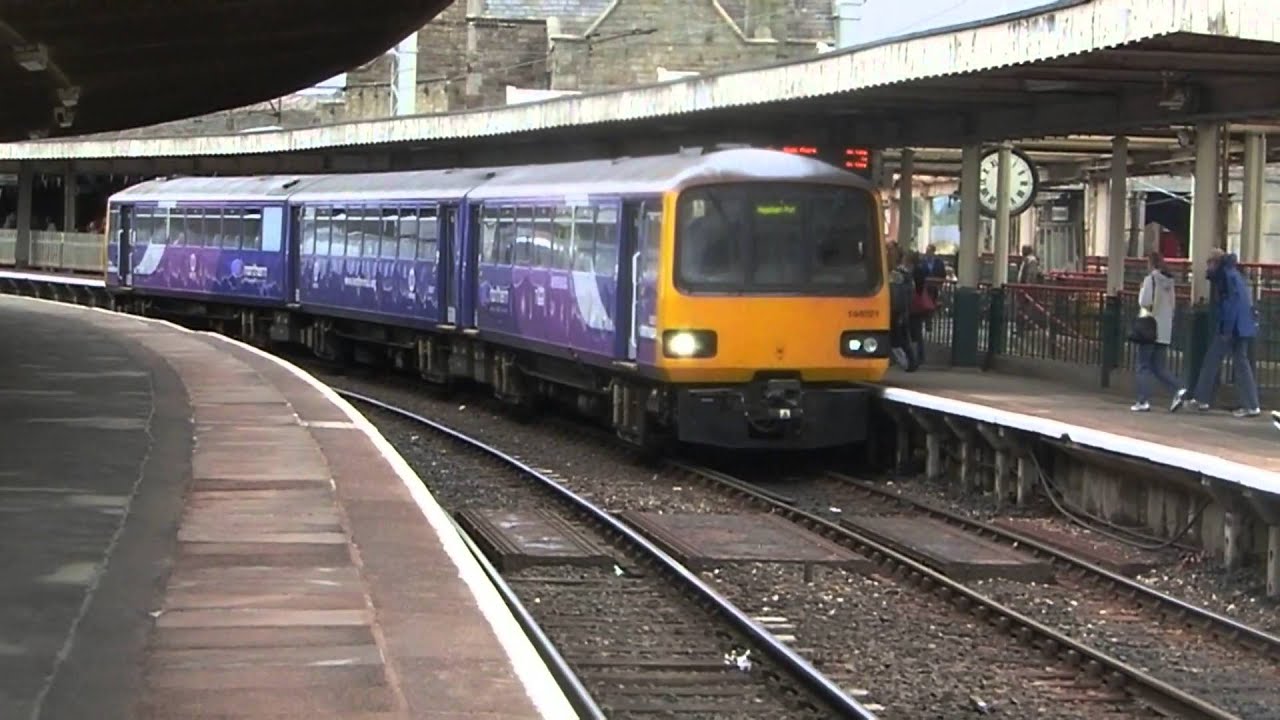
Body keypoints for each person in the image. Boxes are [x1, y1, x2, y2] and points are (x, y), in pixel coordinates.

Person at [1173, 248, 1261, 417]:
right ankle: (1252, 404)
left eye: (1209, 263)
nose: (1207, 267)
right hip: (1242, 325)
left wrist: (1226, 329)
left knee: (1212, 359)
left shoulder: (1224, 277)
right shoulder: (1234, 274)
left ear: (1215, 262)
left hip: (1232, 326)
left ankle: (1201, 399)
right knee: (1241, 364)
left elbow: (1230, 304)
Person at [1131, 252, 1187, 412]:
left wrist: (1141, 290)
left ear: (1150, 264)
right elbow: (1173, 305)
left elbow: (1144, 302)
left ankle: (1142, 401)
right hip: (1164, 329)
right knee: (1159, 367)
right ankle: (1178, 388)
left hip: (1149, 327)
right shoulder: (1170, 282)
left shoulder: (1151, 280)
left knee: (1143, 365)